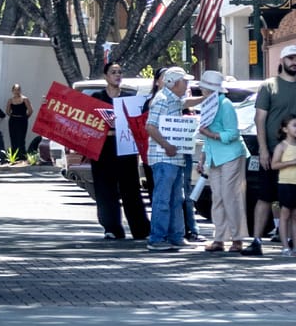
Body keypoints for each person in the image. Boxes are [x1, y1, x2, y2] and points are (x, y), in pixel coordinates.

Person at [253, 44, 296, 256]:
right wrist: (263, 149)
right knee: (266, 197)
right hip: (274, 153)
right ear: (282, 61)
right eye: (290, 58)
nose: (294, 62)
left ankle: (294, 244)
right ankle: (256, 240)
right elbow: (259, 118)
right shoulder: (269, 86)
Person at [88, 60, 149, 241]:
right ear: (106, 76)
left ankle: (141, 230)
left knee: (131, 189)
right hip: (103, 149)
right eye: (114, 72)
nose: (117, 75)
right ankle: (112, 228)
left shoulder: (130, 98)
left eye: (120, 72)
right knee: (105, 189)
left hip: (125, 149)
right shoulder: (96, 97)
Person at [195, 69, 249, 254]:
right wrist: (203, 157)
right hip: (215, 155)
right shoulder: (207, 105)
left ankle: (237, 238)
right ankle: (219, 238)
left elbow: (233, 133)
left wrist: (211, 134)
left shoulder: (225, 105)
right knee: (217, 197)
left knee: (230, 196)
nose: (203, 91)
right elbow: (206, 136)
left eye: (205, 88)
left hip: (231, 154)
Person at [145, 68, 190, 252]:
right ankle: (157, 238)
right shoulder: (162, 100)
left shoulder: (173, 99)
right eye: (185, 81)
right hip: (164, 158)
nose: (187, 85)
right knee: (163, 199)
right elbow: (150, 126)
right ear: (175, 82)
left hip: (174, 158)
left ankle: (175, 235)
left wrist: (207, 97)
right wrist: (166, 145)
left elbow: (187, 102)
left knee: (175, 199)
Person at [270, 115, 296, 257]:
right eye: (294, 125)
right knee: (285, 213)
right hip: (286, 183)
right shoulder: (281, 146)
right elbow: (274, 165)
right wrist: (291, 162)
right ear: (285, 129)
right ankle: (285, 246)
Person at [4, 84, 31, 163]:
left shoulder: (25, 99)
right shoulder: (10, 100)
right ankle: (14, 158)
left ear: (20, 90)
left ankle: (22, 157)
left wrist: (25, 118)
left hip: (22, 120)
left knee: (21, 139)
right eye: (15, 90)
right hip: (13, 121)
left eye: (18, 89)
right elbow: (7, 111)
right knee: (13, 138)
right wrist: (13, 117)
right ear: (12, 91)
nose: (16, 91)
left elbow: (30, 110)